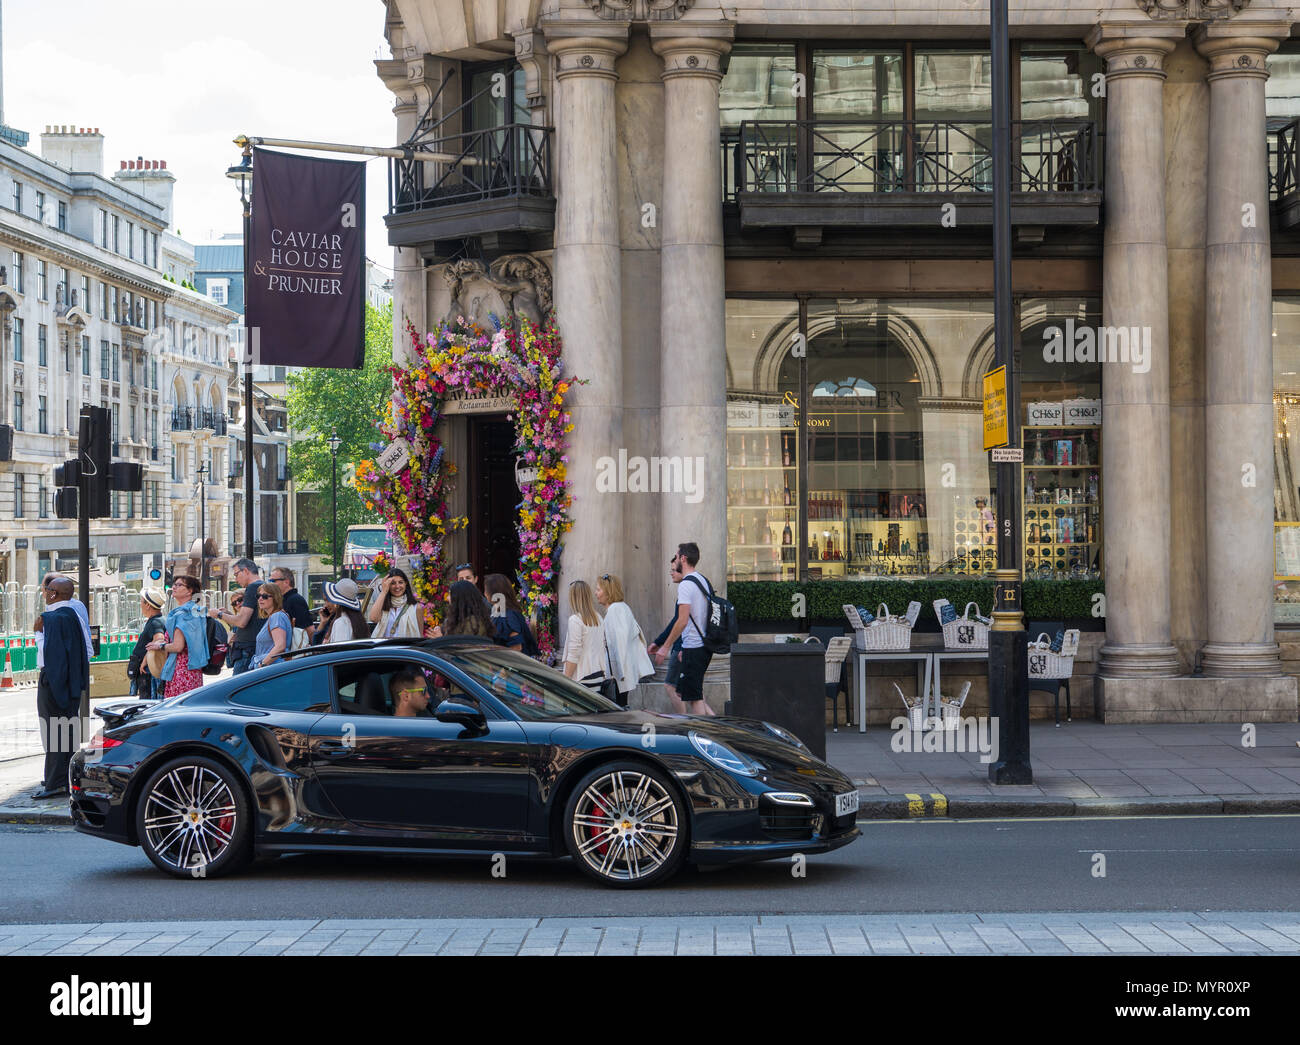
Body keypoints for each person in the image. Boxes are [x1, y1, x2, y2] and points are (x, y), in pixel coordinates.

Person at [32, 577, 89, 799]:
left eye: (46, 590)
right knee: (67, 730)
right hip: (71, 682)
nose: (44, 594)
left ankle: (54, 782)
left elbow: (49, 654)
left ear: (53, 593)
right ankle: (67, 778)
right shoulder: (73, 616)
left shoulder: (50, 618)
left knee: (53, 731)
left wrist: (38, 633)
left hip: (54, 682)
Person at [653, 542, 716, 716]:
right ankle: (714, 728)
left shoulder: (686, 585)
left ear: (683, 558)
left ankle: (704, 736)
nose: (676, 559)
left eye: (677, 555)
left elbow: (681, 620)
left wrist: (665, 647)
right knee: (692, 693)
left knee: (694, 698)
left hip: (695, 646)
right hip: (702, 645)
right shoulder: (703, 580)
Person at [647, 554, 701, 715]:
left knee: (671, 685)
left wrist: (663, 644)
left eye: (673, 570)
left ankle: (684, 721)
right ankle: (716, 725)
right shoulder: (697, 584)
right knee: (696, 694)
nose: (670, 573)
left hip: (683, 646)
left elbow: (679, 621)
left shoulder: (686, 587)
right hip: (691, 646)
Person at [596, 573, 654, 709]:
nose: (596, 593)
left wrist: (618, 674)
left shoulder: (616, 610)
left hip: (618, 674)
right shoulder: (621, 608)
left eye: (599, 589)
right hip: (620, 672)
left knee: (618, 709)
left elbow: (619, 643)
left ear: (608, 592)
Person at [148, 575, 209, 699]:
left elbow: (178, 646)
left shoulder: (182, 614)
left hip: (181, 670)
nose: (174, 587)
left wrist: (159, 646)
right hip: (194, 670)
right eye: (174, 584)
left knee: (177, 709)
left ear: (190, 590)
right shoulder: (197, 610)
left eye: (179, 585)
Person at [210, 558, 262, 675]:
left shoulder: (252, 587)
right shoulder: (261, 586)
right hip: (252, 648)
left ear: (246, 571)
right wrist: (229, 615)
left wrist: (219, 614)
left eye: (236, 574)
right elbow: (250, 619)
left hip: (248, 650)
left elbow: (242, 621)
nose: (235, 579)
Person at [563, 580, 611, 695]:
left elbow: (574, 653)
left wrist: (565, 680)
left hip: (581, 677)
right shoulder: (599, 618)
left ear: (573, 597)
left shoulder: (575, 620)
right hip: (598, 675)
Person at [126, 588, 168, 700]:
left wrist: (144, 661)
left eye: (141, 601)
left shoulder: (155, 622)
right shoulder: (159, 620)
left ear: (148, 605)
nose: (140, 605)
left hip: (148, 673)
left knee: (147, 704)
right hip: (149, 671)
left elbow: (159, 640)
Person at [484, 573, 538, 655]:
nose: (484, 593)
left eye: (486, 590)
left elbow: (516, 648)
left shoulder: (509, 615)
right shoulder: (500, 612)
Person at [367, 567, 425, 639]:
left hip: (405, 648)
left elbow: (420, 634)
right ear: (388, 585)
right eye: (393, 583)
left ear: (405, 584)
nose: (397, 586)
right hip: (384, 648)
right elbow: (373, 618)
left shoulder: (416, 607)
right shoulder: (383, 604)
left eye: (400, 582)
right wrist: (384, 591)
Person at [250, 583, 291, 670]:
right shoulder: (274, 617)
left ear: (275, 598)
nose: (260, 598)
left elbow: (280, 646)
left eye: (265, 596)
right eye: (258, 596)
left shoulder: (277, 617)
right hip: (272, 667)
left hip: (272, 668)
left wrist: (263, 664)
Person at [269, 566, 314, 642]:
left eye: (273, 581)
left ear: (286, 582)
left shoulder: (295, 600)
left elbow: (309, 629)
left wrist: (313, 650)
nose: (270, 584)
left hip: (294, 650)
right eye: (269, 581)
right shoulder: (282, 600)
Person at [320, 578, 369, 644]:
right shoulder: (357, 620)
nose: (325, 605)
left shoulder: (341, 622)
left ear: (337, 601)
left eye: (328, 600)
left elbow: (340, 651)